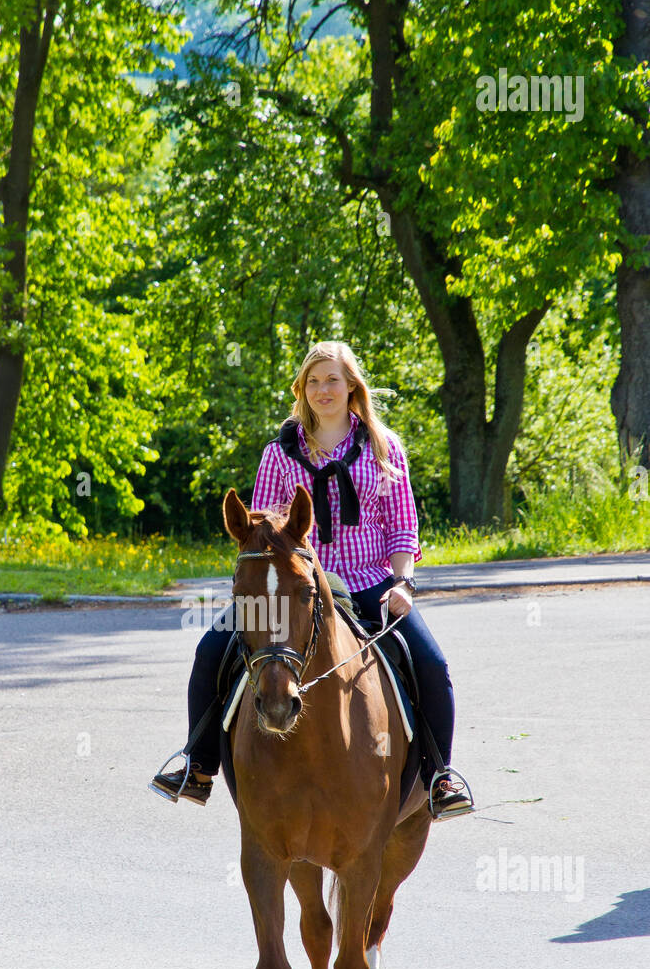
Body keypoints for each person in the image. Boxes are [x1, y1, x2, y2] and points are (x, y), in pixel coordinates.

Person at [150, 340, 474, 820]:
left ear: (351, 388)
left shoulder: (385, 448)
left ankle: (439, 777)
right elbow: (259, 531)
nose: (323, 390)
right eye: (314, 382)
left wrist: (403, 583)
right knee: (209, 652)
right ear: (302, 390)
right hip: (293, 587)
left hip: (368, 583)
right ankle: (198, 768)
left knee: (432, 665)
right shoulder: (279, 453)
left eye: (333, 381)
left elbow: (402, 525)